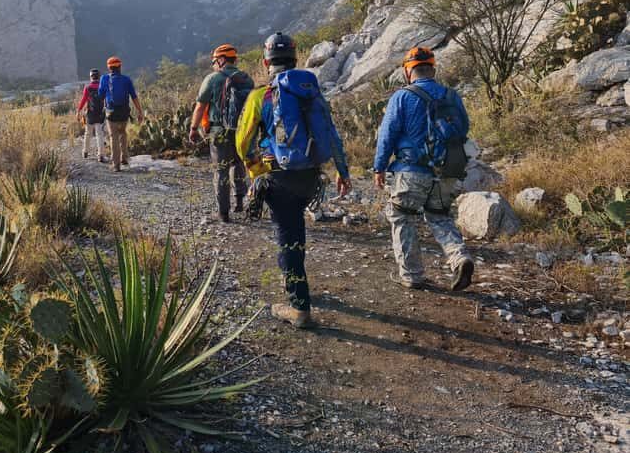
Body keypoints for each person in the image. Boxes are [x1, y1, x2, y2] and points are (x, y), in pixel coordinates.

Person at [236, 32, 351, 329]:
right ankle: (296, 285)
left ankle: (299, 306)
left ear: (265, 62)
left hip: (279, 177)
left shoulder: (260, 96)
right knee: (295, 232)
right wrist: (343, 171)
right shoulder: (310, 90)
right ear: (296, 59)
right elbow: (331, 133)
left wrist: (256, 171)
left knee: (289, 240)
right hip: (311, 177)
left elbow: (242, 142)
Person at [373, 46, 474, 291]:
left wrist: (379, 166)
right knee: (439, 217)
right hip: (447, 171)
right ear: (433, 68)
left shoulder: (402, 97)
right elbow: (464, 129)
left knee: (401, 217)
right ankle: (459, 257)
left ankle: (411, 275)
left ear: (408, 72)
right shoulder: (451, 96)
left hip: (411, 172)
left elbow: (387, 134)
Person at [189, 44, 254, 222]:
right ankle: (240, 201)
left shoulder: (212, 79)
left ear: (222, 59)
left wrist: (194, 128)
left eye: (214, 61)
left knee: (221, 170)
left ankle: (223, 213)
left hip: (219, 131)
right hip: (242, 130)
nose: (213, 64)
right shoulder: (246, 79)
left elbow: (200, 106)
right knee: (239, 164)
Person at [99, 56, 144, 172]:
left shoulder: (104, 79)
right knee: (122, 133)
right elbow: (134, 97)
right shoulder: (126, 80)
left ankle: (116, 165)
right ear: (120, 67)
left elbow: (100, 95)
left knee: (113, 137)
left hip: (111, 113)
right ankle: (124, 157)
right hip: (124, 112)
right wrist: (140, 112)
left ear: (109, 68)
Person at [77, 68, 107, 163]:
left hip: (90, 114)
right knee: (99, 134)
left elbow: (83, 100)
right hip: (100, 113)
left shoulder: (87, 87)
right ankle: (101, 155)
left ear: (91, 77)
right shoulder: (102, 87)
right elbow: (106, 100)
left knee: (88, 133)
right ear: (99, 77)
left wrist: (78, 110)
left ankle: (85, 152)